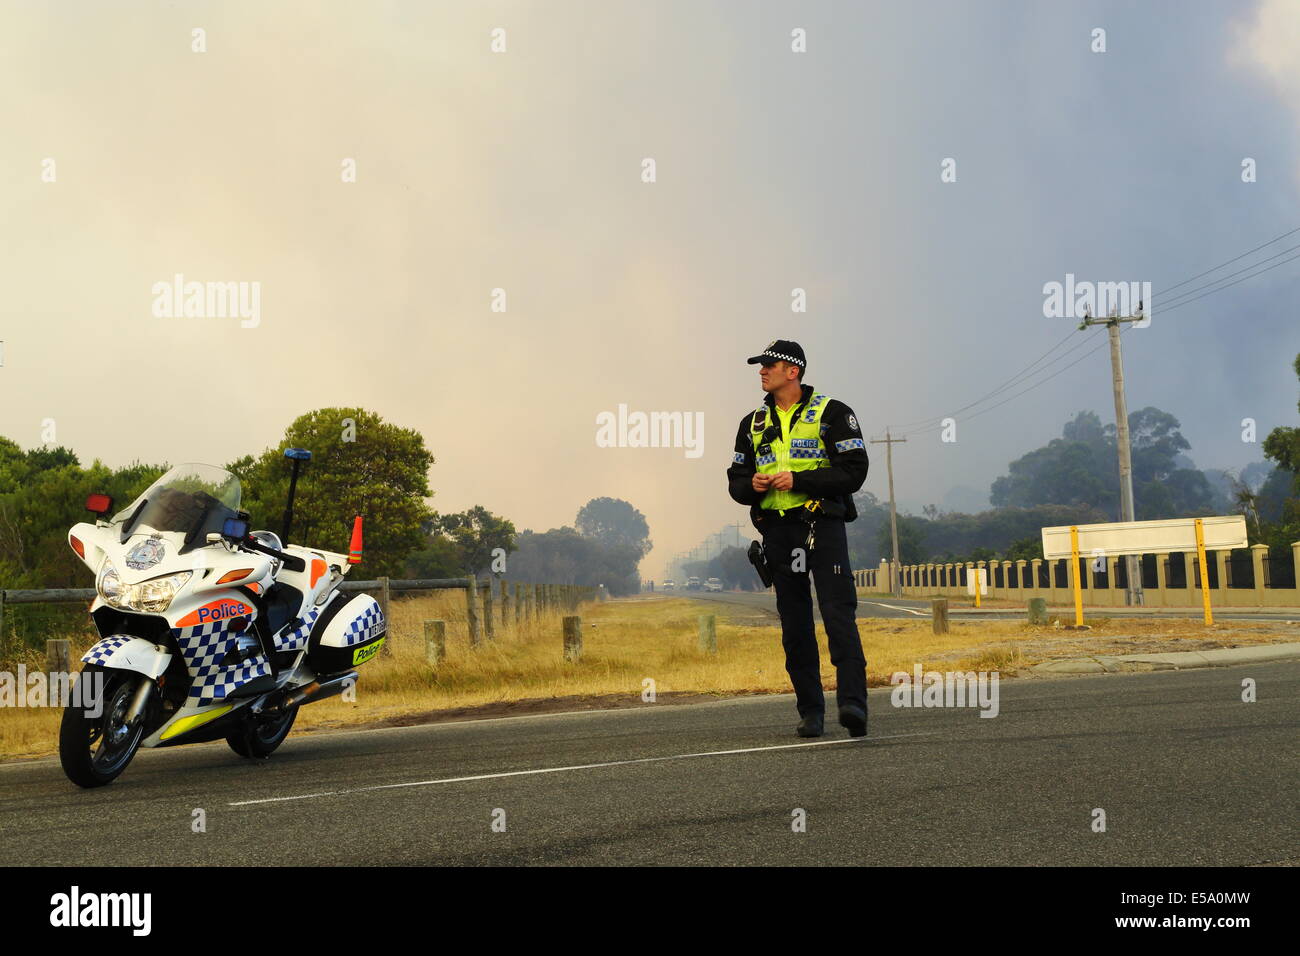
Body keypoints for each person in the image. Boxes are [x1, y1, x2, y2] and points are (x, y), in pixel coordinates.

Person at [725, 340, 870, 738]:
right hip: (778, 531)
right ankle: (811, 712)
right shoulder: (752, 423)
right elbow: (735, 482)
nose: (761, 371)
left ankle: (853, 704)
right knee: (794, 624)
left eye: (768, 365)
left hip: (822, 526)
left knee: (838, 614)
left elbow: (854, 471)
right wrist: (751, 485)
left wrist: (800, 480)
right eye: (760, 366)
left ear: (793, 371)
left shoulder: (833, 412)